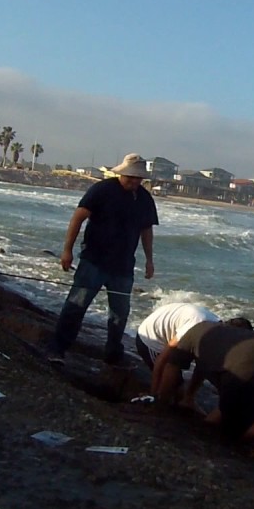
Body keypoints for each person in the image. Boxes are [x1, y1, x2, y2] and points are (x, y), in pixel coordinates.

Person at [46, 153, 159, 369]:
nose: (134, 181)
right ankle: (57, 348)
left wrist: (149, 260)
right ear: (121, 173)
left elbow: (147, 230)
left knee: (120, 313)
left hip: (123, 266)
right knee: (76, 306)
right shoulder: (102, 190)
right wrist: (67, 251)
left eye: (139, 178)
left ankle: (113, 353)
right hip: (93, 261)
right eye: (130, 177)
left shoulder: (144, 198)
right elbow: (78, 217)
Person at [162, 321, 254, 461]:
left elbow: (171, 367)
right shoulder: (222, 337)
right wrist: (189, 397)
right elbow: (201, 370)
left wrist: (161, 401)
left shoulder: (194, 335)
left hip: (249, 364)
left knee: (228, 430)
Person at [135, 303, 252, 401]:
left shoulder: (215, 328)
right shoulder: (195, 327)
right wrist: (154, 394)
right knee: (173, 391)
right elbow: (164, 359)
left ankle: (188, 399)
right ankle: (158, 396)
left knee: (203, 362)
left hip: (174, 326)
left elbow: (203, 364)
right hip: (151, 339)